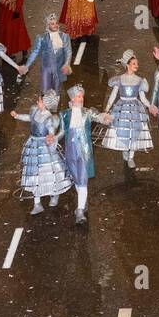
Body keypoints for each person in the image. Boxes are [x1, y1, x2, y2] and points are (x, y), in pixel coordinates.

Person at [55, 84, 112, 224]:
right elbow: (62, 132)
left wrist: (105, 118)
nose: (81, 99)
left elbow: (98, 117)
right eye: (79, 96)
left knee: (82, 179)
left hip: (84, 152)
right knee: (76, 178)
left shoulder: (87, 112)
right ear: (73, 99)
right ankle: (82, 201)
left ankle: (80, 211)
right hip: (70, 151)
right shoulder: (64, 114)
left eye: (82, 96)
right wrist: (53, 139)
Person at [10, 91, 72, 215]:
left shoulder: (49, 118)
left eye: (40, 100)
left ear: (46, 104)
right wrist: (17, 116)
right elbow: (29, 118)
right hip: (33, 144)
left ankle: (54, 193)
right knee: (34, 174)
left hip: (44, 147)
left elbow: (51, 131)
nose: (37, 101)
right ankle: (37, 203)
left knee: (48, 172)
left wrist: (50, 136)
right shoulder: (35, 111)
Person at [100, 50, 157, 169]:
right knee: (123, 129)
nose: (137, 66)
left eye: (137, 64)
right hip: (122, 108)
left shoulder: (140, 80)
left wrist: (150, 106)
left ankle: (131, 156)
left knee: (134, 131)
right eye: (134, 64)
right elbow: (113, 95)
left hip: (135, 108)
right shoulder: (119, 79)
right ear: (127, 65)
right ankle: (125, 150)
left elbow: (142, 98)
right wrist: (106, 109)